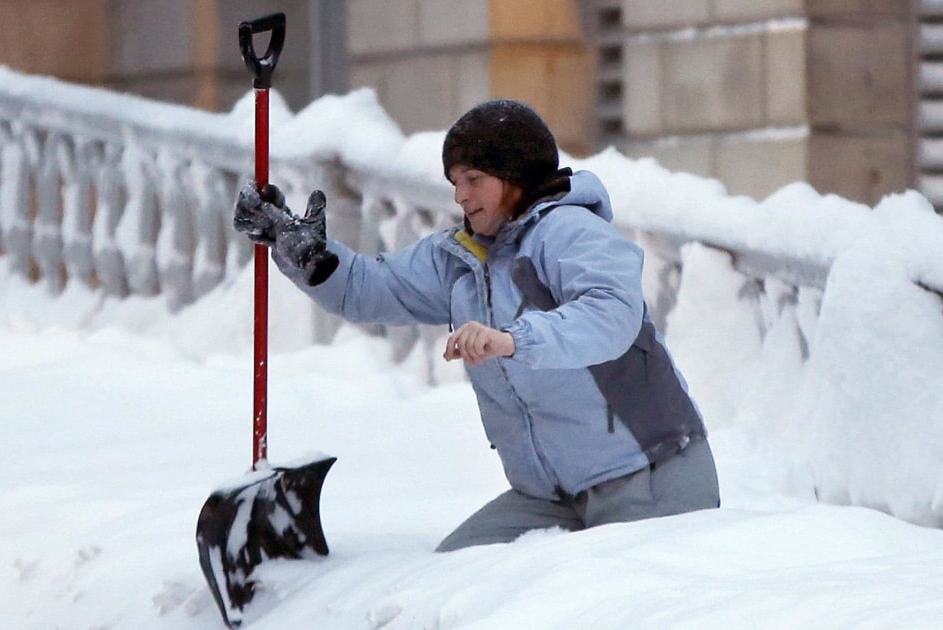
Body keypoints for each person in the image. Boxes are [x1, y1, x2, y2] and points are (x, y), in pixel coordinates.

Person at [232, 99, 720, 552]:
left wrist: (511, 340)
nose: (461, 196)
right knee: (455, 583)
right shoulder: (462, 257)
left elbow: (610, 316)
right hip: (552, 495)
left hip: (649, 477)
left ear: (515, 176)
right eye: (454, 183)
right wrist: (310, 257)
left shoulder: (569, 230)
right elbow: (373, 290)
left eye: (474, 179)